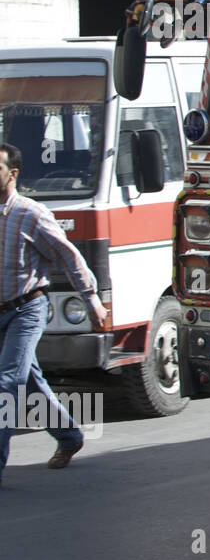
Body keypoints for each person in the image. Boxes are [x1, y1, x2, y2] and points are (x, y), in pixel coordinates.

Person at [0, 142, 107, 485]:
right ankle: (69, 436)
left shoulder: (30, 213)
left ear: (12, 174)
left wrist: (91, 299)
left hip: (26, 308)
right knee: (30, 382)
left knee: (7, 382)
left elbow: (68, 256)